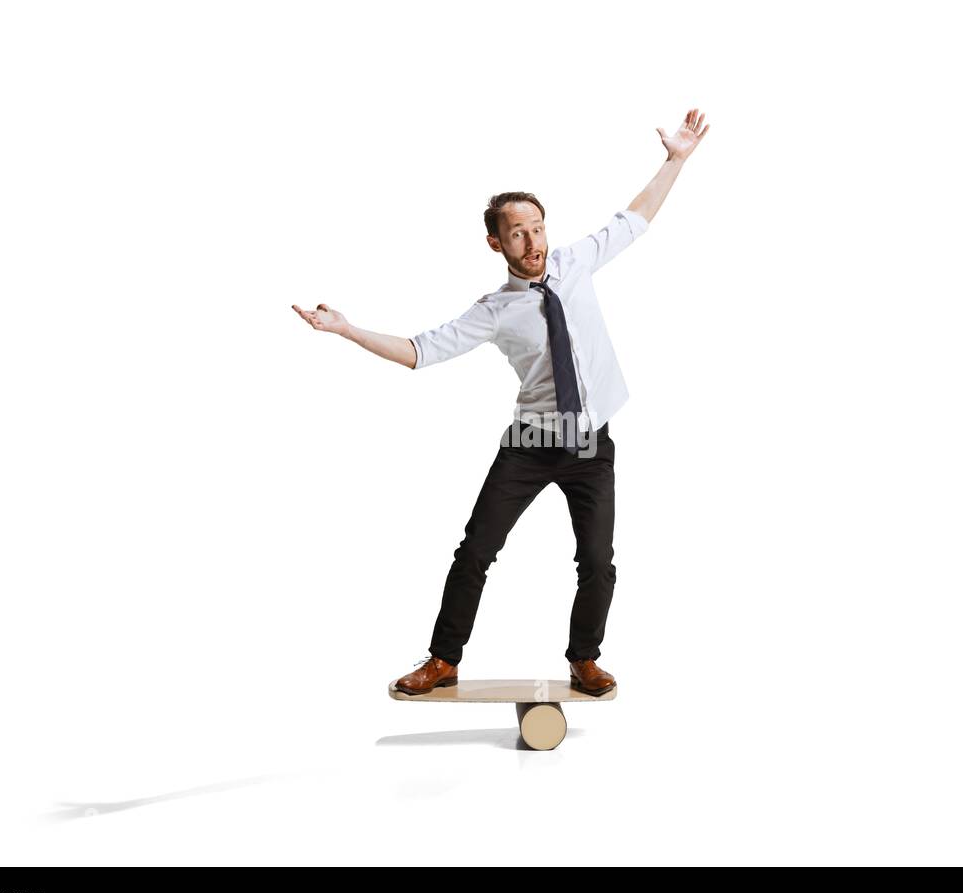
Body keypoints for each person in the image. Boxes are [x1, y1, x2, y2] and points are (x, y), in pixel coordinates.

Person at [292, 108, 710, 697]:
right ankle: (442, 659)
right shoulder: (493, 309)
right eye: (517, 232)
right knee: (475, 553)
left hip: (591, 444)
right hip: (529, 446)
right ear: (496, 242)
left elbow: (636, 216)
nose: (532, 241)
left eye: (537, 228)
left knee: (598, 563)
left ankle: (584, 660)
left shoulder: (576, 262)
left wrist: (675, 159)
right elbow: (419, 351)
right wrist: (348, 329)